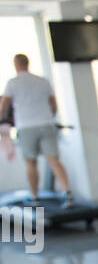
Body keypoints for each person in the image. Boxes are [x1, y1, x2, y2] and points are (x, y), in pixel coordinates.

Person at [0, 54, 72, 201]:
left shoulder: (13, 83)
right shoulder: (43, 81)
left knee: (31, 162)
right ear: (28, 63)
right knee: (54, 161)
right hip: (46, 124)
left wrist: (1, 120)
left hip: (27, 127)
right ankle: (67, 192)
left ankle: (34, 196)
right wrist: (50, 117)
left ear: (16, 65)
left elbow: (4, 105)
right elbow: (53, 104)